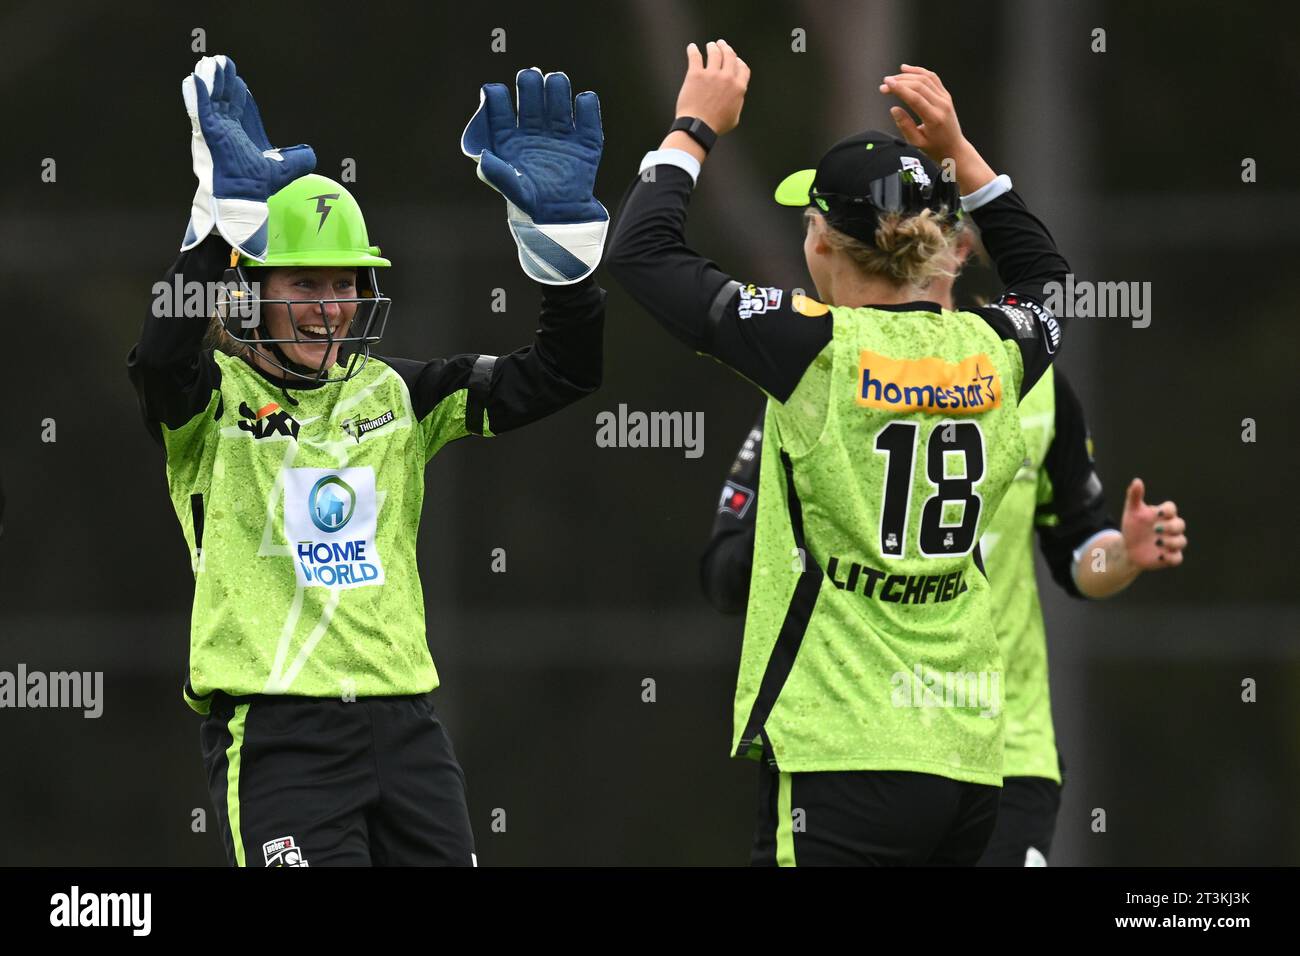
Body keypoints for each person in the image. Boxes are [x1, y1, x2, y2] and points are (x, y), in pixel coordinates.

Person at [127, 55, 607, 866]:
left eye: (346, 283)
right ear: (246, 292)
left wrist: (564, 256)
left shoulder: (398, 393)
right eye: (304, 283)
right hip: (281, 735)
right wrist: (221, 229)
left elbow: (562, 373)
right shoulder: (207, 402)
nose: (331, 306)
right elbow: (158, 355)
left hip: (409, 727)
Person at [607, 43, 1071, 865]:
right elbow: (1050, 288)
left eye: (809, 223)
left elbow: (644, 255)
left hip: (844, 749)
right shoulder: (991, 351)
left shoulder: (814, 350)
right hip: (967, 756)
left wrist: (692, 129)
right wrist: (961, 155)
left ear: (822, 243)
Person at [700, 234, 1189, 867]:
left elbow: (1078, 556)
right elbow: (723, 571)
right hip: (860, 744)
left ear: (958, 248)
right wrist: (804, 545)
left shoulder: (1025, 375)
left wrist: (1119, 554)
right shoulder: (817, 375)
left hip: (1005, 744)